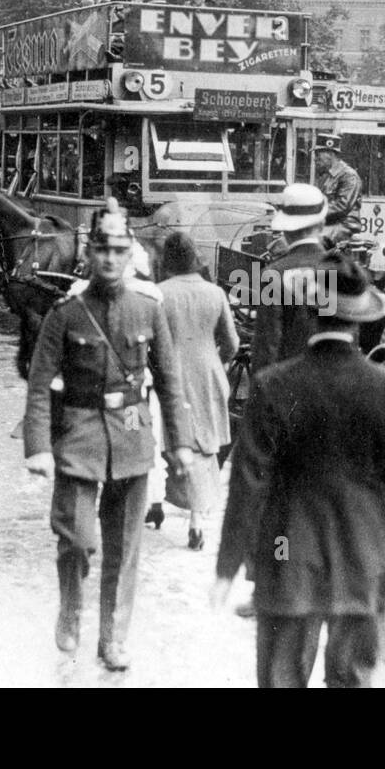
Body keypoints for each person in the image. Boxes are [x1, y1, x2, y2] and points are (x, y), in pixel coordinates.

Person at [212, 254, 385, 688]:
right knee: (353, 680)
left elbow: (248, 484)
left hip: (288, 558)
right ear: (362, 319)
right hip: (366, 561)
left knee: (281, 679)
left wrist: (227, 567)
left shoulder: (273, 386)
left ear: (308, 312)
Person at [23, 199, 194, 669]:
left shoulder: (148, 307)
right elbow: (39, 384)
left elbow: (170, 378)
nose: (111, 259)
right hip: (79, 434)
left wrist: (179, 442)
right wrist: (37, 447)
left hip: (134, 432)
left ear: (131, 251)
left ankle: (112, 638)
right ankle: (71, 608)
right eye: (102, 249)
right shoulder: (66, 312)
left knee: (123, 550)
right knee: (77, 539)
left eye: (120, 250)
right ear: (89, 251)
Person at [157, 232, 239, 551]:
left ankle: (157, 502)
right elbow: (231, 343)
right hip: (209, 374)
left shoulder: (160, 293)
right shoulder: (216, 293)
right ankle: (197, 521)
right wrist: (215, 363)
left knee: (169, 441)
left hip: (171, 375)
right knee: (205, 446)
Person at [251, 184, 339, 372]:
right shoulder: (339, 270)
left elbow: (266, 346)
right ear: (322, 225)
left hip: (287, 387)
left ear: (284, 230)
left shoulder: (273, 274)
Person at [313, 134, 362, 243]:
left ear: (330, 154)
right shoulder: (326, 177)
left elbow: (342, 206)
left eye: (318, 155)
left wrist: (313, 214)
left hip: (344, 227)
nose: (315, 159)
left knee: (310, 243)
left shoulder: (349, 176)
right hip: (328, 225)